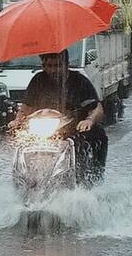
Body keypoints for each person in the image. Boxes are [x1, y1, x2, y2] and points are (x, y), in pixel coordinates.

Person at [12, 50, 107, 182]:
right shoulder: (38, 80)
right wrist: (17, 120)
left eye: (57, 65)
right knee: (23, 141)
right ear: (43, 66)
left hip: (74, 128)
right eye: (49, 66)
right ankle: (23, 177)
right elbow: (26, 106)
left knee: (96, 136)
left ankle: (87, 178)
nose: (53, 70)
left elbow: (97, 108)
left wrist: (89, 121)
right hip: (46, 126)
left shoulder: (80, 81)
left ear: (66, 65)